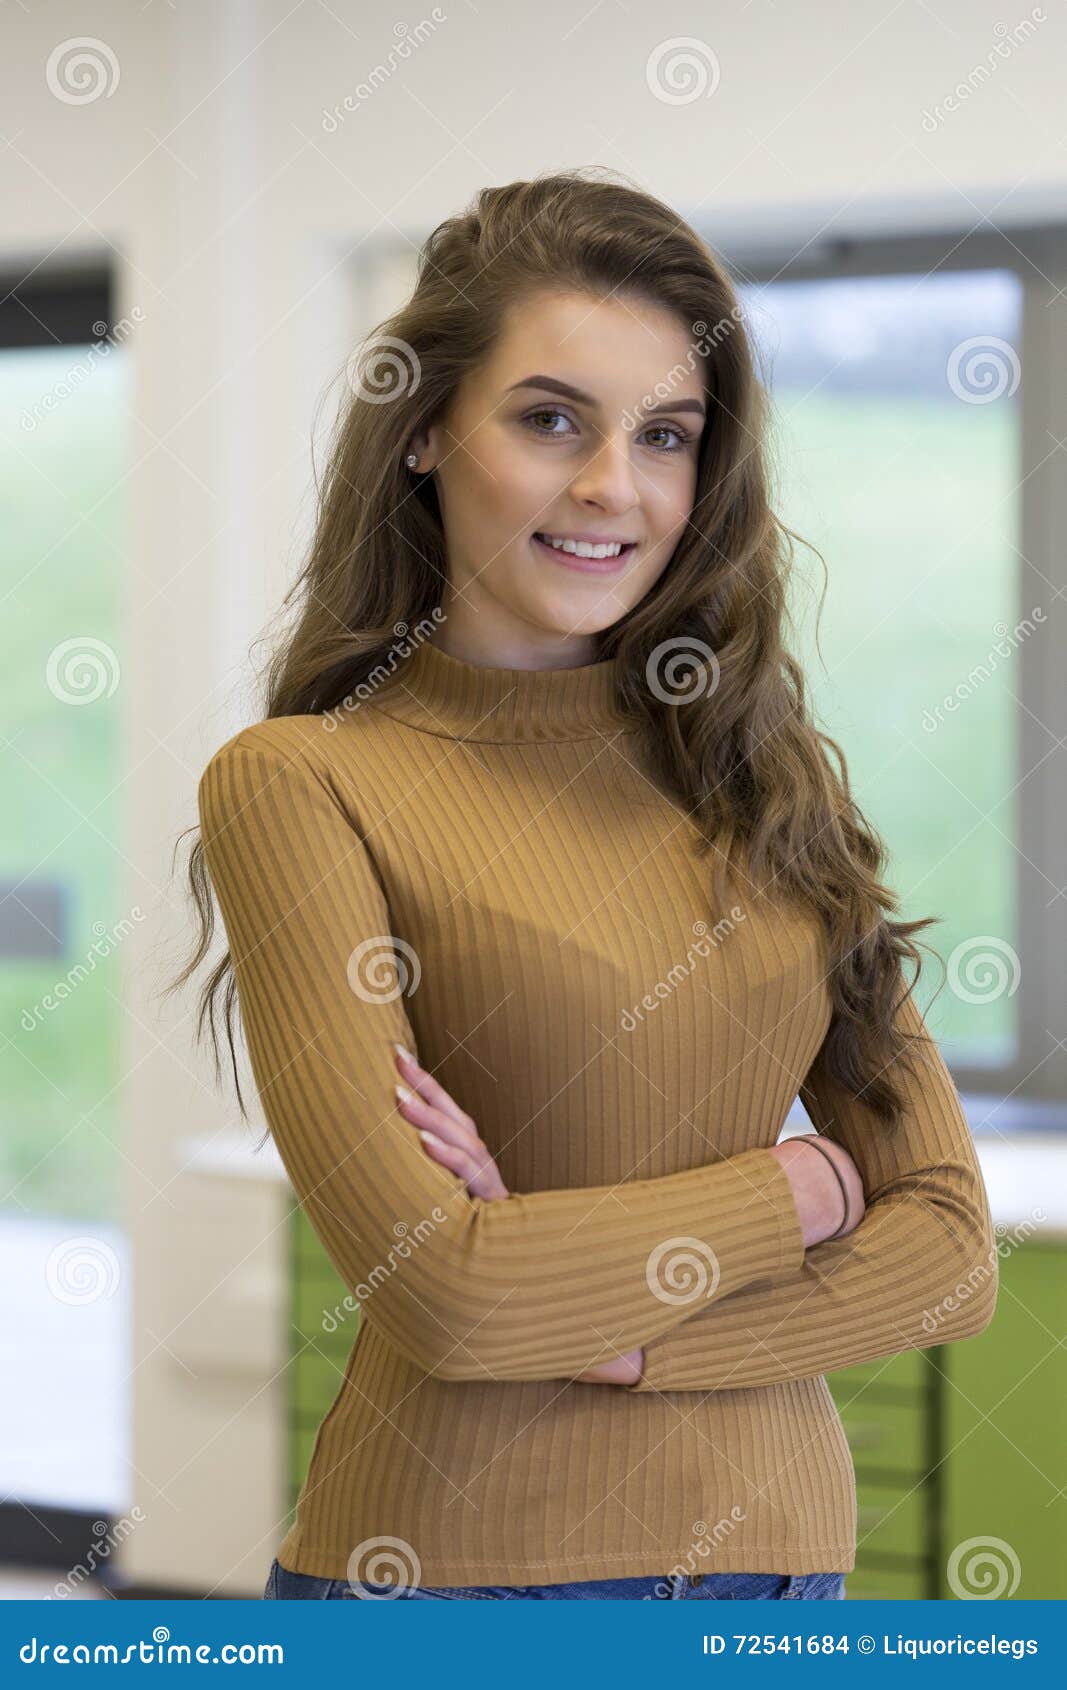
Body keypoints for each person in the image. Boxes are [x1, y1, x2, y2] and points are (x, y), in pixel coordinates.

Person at [171, 169, 997, 1602]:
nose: (616, 485)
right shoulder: (303, 781)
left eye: (666, 435)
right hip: (454, 1582)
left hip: (788, 1573)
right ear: (426, 431)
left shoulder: (768, 778)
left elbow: (945, 1248)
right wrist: (796, 1184)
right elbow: (449, 1288)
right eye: (552, 418)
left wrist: (629, 1333)